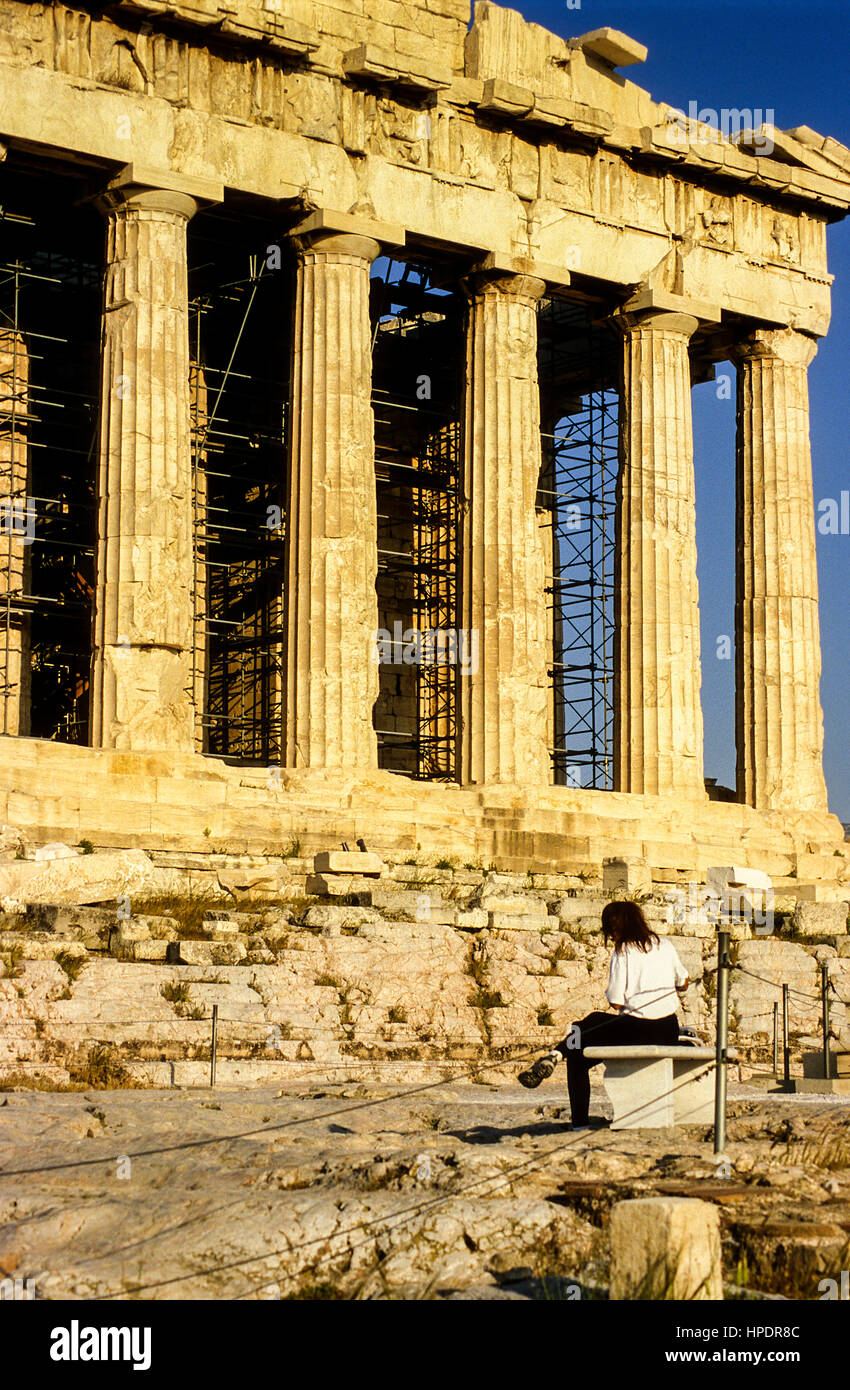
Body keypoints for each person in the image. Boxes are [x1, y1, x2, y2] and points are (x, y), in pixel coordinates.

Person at [518, 900, 689, 1127]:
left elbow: (616, 1002)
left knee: (584, 1037)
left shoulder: (623, 950)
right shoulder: (665, 944)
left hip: (638, 1030)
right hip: (668, 1028)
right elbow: (684, 982)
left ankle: (559, 1062)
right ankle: (557, 1054)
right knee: (587, 1028)